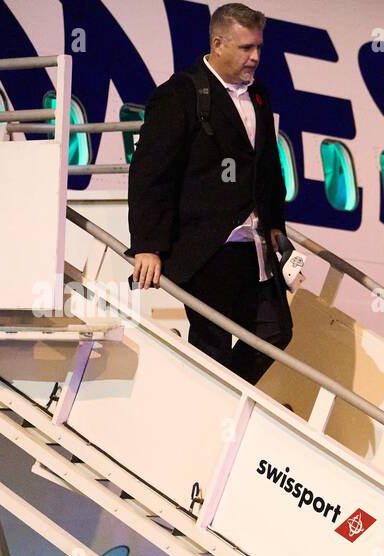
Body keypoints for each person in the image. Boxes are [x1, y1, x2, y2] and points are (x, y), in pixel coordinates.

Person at [128, 3, 292, 385]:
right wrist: (147, 244)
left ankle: (217, 398)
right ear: (218, 44)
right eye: (246, 48)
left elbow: (268, 168)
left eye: (258, 48)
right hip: (207, 246)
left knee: (275, 331)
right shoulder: (181, 93)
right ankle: (211, 414)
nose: (255, 57)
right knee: (212, 342)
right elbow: (151, 173)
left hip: (252, 244)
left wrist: (274, 226)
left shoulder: (259, 96)